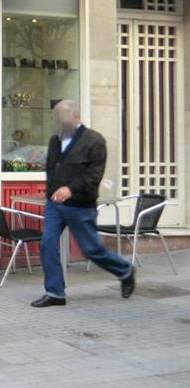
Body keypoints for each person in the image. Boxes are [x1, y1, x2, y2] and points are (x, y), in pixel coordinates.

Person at [32, 100, 134, 307]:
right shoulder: (55, 139)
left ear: (76, 116)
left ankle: (125, 270)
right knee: (47, 244)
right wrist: (51, 188)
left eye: (62, 117)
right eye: (56, 117)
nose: (58, 121)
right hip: (54, 204)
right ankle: (55, 293)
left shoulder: (94, 141)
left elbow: (94, 174)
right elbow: (52, 168)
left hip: (79, 205)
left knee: (91, 250)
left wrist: (70, 189)